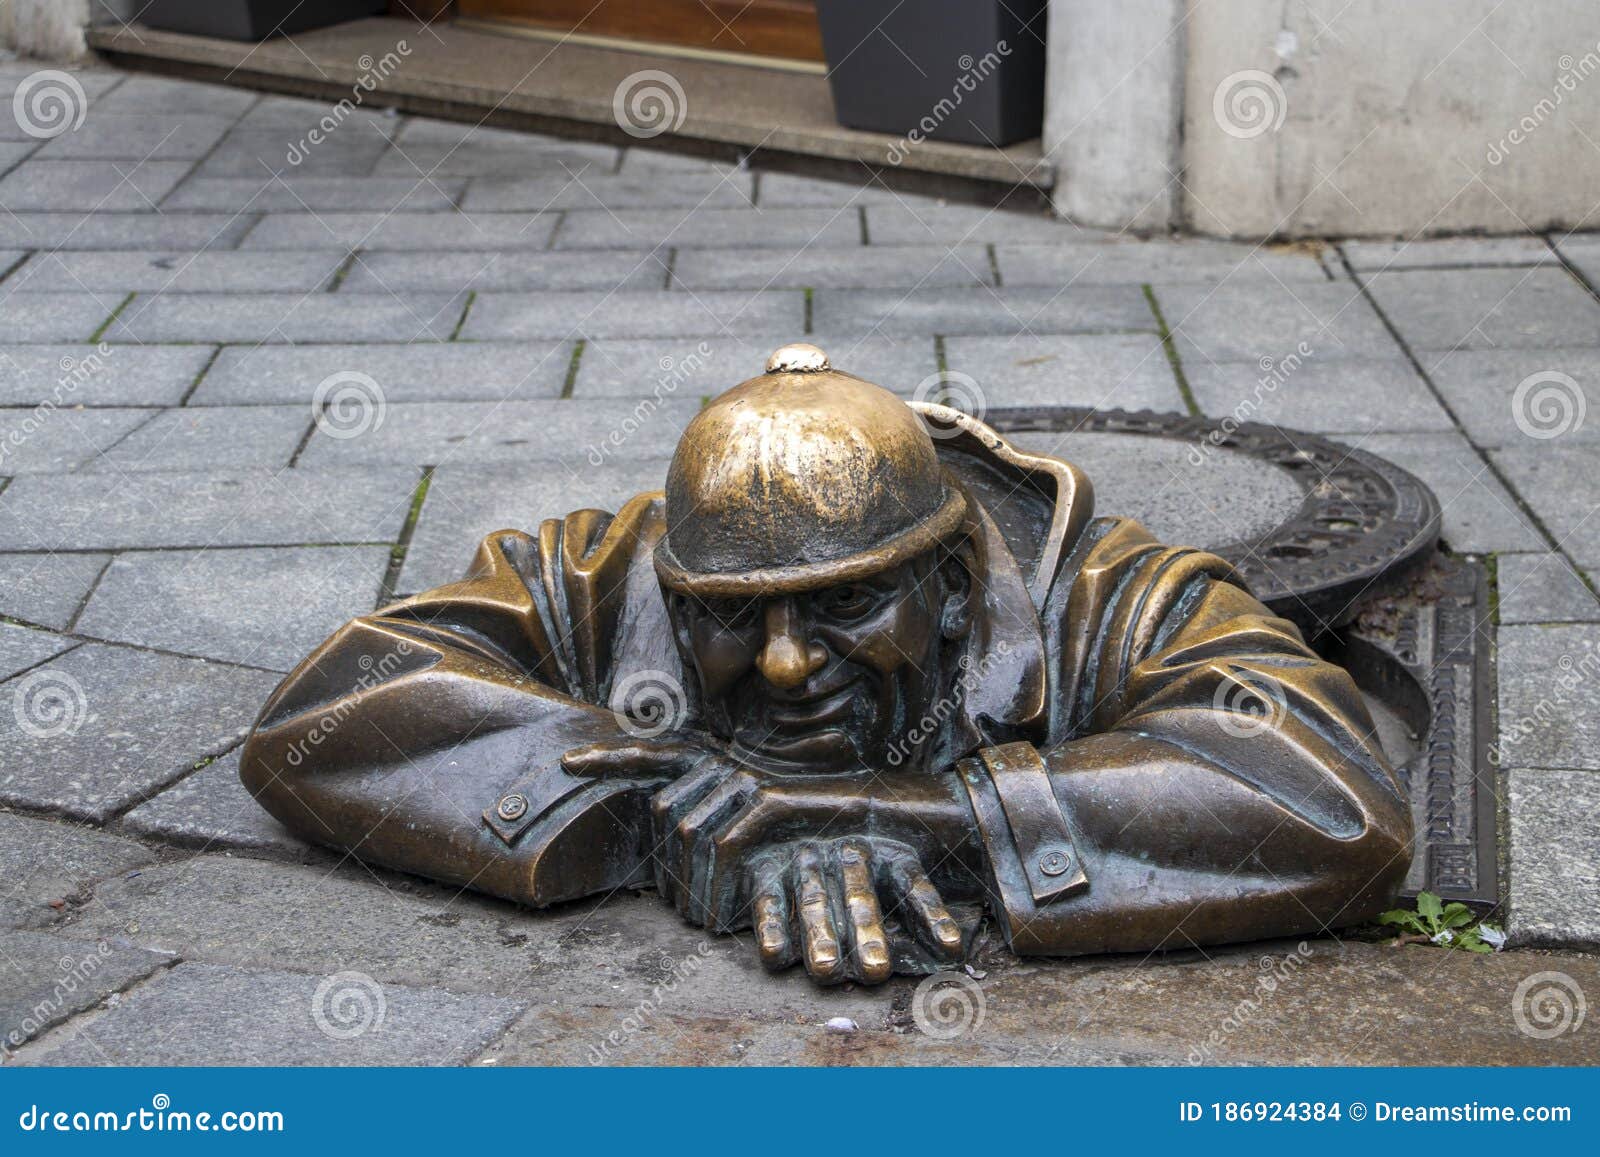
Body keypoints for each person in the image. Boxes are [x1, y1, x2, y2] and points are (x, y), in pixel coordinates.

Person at [241, 344, 1412, 985]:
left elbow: (1330, 796)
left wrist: (911, 812)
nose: (790, 662)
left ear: (951, 588)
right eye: (733, 618)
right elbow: (331, 706)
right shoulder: (615, 565)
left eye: (849, 603)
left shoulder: (1112, 596)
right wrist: (651, 801)